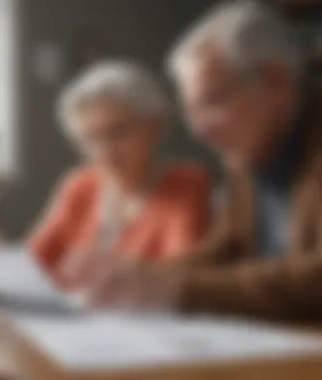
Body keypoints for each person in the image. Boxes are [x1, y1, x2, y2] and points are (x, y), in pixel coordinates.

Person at [80, 1, 322, 321]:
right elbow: (224, 250)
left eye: (213, 101)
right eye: (191, 111)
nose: (199, 131)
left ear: (275, 79)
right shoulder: (251, 149)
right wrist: (139, 278)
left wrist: (176, 288)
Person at [28, 61, 210, 290]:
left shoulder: (187, 184)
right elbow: (32, 261)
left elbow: (181, 275)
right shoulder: (80, 185)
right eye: (91, 138)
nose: (105, 151)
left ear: (155, 127)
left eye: (117, 132)